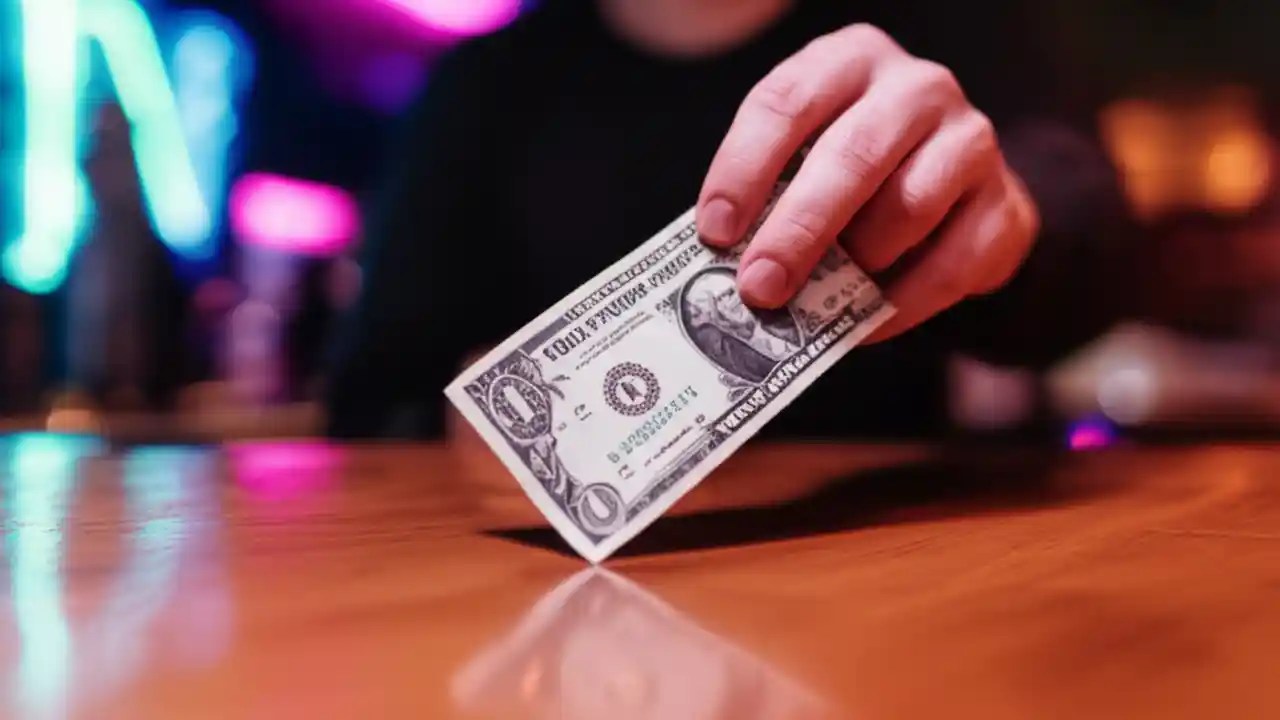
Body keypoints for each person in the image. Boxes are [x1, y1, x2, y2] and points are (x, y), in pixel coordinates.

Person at [324, 0, 1133, 440]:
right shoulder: (483, 85)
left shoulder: (957, 26)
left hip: (881, 574)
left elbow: (1100, 254)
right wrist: (476, 437)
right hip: (559, 611)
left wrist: (1012, 214)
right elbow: (373, 392)